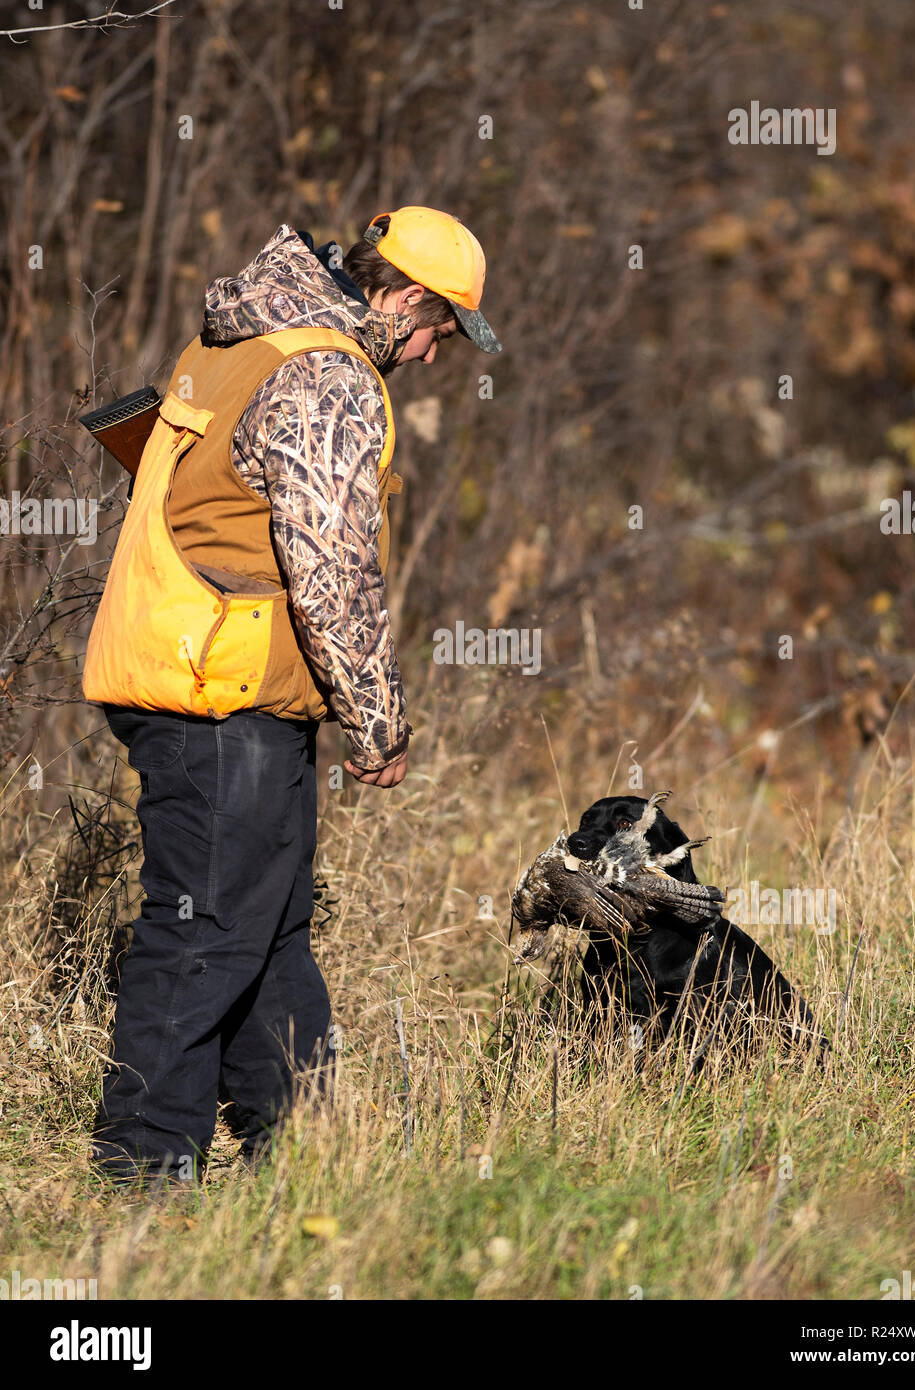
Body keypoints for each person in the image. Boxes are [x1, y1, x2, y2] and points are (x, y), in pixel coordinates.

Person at [82, 207, 501, 1186]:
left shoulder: (237, 338)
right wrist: (379, 717)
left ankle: (304, 1147)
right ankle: (142, 1166)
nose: (434, 355)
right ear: (402, 299)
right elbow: (333, 573)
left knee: (268, 927)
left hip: (191, 665)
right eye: (440, 329)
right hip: (221, 687)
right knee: (205, 929)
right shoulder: (327, 378)